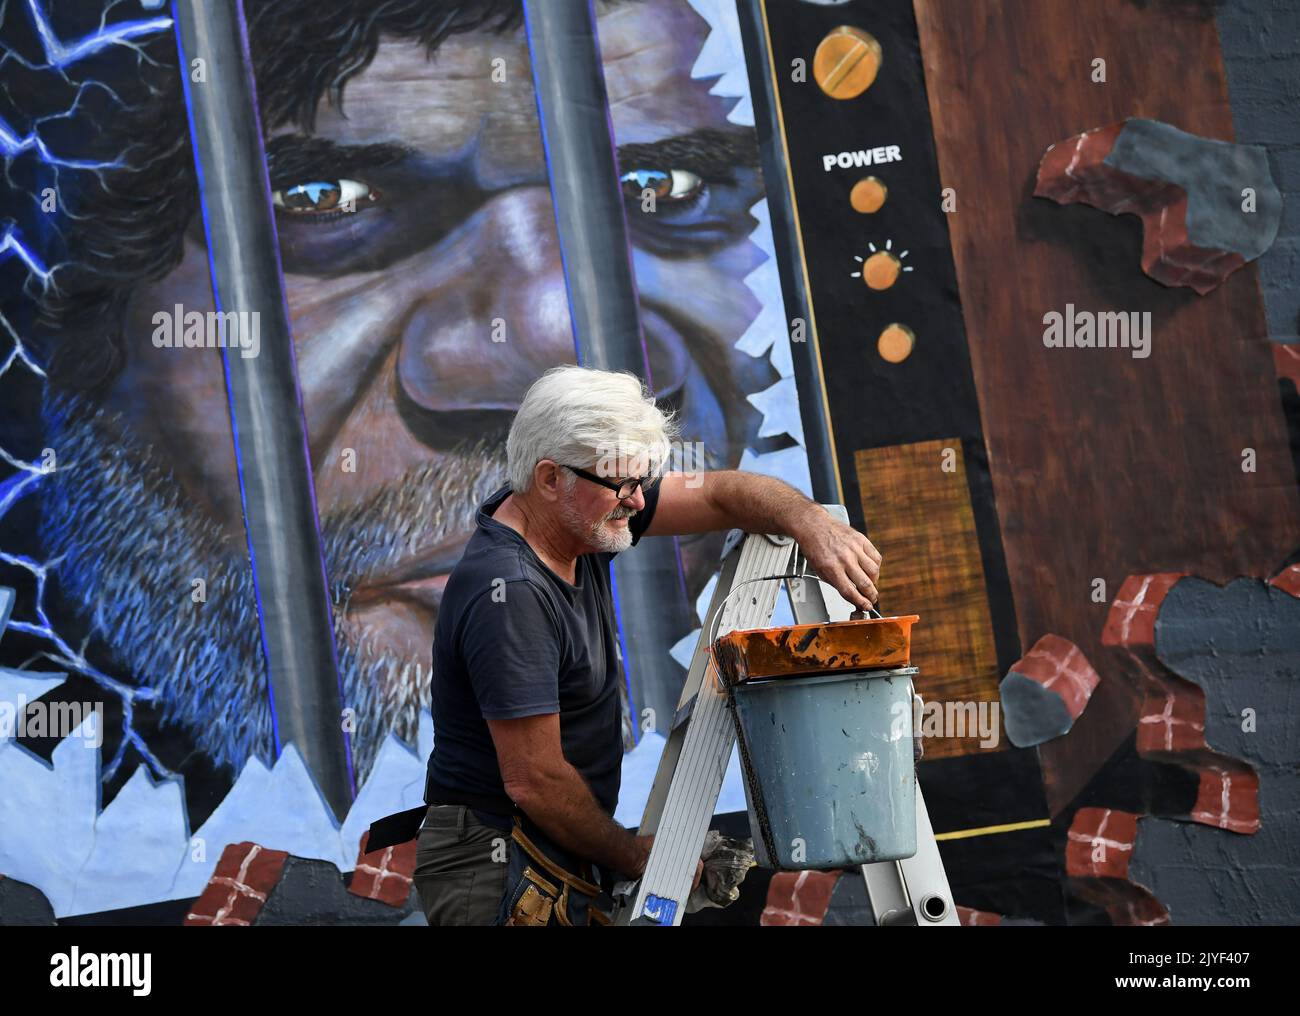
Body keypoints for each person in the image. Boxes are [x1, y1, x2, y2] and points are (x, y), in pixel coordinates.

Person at [414, 365, 881, 925]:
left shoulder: (572, 515)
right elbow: (534, 781)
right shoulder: (512, 594)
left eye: (643, 482)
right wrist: (638, 856)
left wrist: (808, 521)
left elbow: (719, 494)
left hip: (550, 851)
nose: (637, 501)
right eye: (624, 485)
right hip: (499, 862)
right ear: (549, 478)